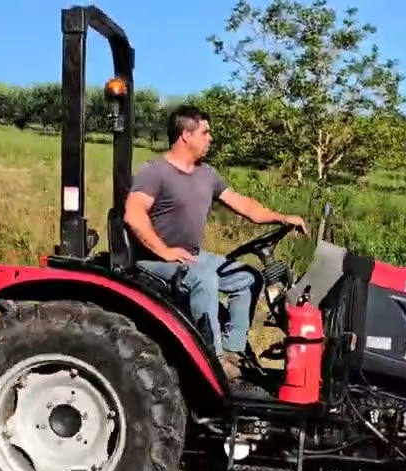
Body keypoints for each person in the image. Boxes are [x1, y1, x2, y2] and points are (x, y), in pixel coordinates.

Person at [124, 104, 306, 382]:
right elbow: (133, 215)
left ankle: (234, 352)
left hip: (192, 256)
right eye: (205, 132)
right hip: (155, 260)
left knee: (247, 278)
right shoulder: (155, 171)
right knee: (203, 279)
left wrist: (281, 218)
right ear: (186, 135)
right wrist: (164, 250)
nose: (210, 139)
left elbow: (244, 204)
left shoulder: (207, 174)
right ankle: (213, 360)